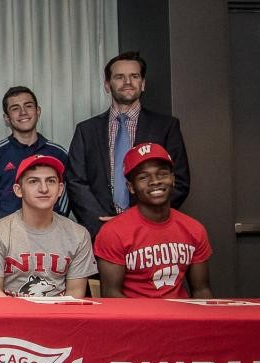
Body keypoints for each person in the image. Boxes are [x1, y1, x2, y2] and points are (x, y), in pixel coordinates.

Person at [67, 51, 191, 238]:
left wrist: (140, 218)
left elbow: (179, 180)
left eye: (134, 76)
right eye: (119, 77)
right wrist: (100, 222)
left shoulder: (166, 126)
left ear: (143, 84)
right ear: (107, 85)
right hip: (101, 232)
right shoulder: (86, 130)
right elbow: (76, 181)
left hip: (151, 231)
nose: (127, 82)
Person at [93, 143, 211, 298]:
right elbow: (111, 294)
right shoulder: (113, 232)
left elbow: (201, 291)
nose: (155, 181)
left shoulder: (194, 229)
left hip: (181, 317)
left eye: (162, 174)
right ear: (131, 187)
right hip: (136, 319)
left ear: (173, 179)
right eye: (143, 177)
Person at [0, 155, 97, 297]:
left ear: (60, 189)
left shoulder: (79, 235)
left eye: (51, 181)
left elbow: (75, 294)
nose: (44, 189)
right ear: (18, 190)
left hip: (59, 316)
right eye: (33, 181)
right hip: (11, 316)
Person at [0, 86, 70, 222]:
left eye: (28, 106)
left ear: (38, 111)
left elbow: (66, 194)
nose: (23, 112)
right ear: (6, 118)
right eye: (15, 108)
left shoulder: (58, 154)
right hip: (8, 234)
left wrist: (58, 222)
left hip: (50, 231)